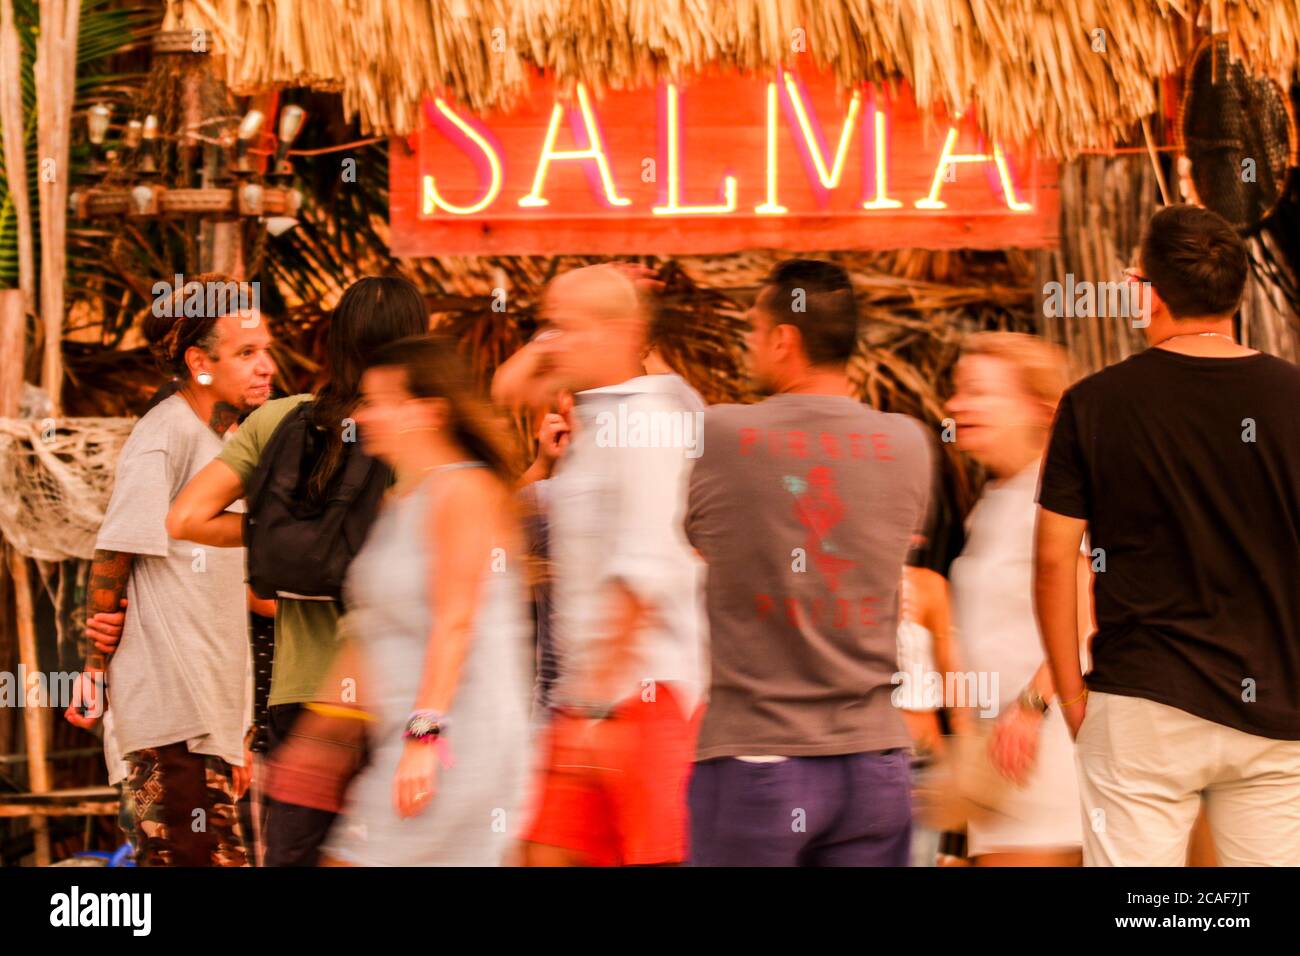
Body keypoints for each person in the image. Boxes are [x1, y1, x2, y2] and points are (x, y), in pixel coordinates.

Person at [1035, 204, 1300, 866]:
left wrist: (1071, 694)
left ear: (1142, 291)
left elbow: (1051, 561)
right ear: (1236, 291)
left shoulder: (1094, 404)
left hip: (1142, 704)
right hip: (1279, 706)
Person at [167, 276, 429, 865]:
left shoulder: (279, 420)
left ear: (335, 340)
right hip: (400, 698)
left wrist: (290, 534)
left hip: (301, 700)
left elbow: (185, 518)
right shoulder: (420, 434)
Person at [685, 259, 932, 866]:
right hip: (875, 761)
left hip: (760, 757)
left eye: (751, 331)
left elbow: (701, 539)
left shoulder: (723, 434)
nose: (748, 346)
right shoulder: (907, 441)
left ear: (783, 338)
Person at [65, 272, 275, 866]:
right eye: (246, 353)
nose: (266, 367)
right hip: (169, 706)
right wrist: (92, 667)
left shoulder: (228, 445)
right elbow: (112, 553)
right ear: (199, 362)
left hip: (210, 714)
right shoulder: (166, 434)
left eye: (266, 351)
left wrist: (238, 732)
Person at [313, 335, 533, 865]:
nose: (364, 415)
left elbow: (454, 623)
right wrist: (320, 736)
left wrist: (423, 739)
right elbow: (373, 630)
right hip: (408, 741)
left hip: (458, 741)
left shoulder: (464, 492)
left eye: (380, 402)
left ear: (428, 412)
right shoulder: (402, 499)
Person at [521, 264, 707, 867]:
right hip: (590, 700)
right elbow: (505, 389)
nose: (552, 342)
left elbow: (646, 566)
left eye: (566, 328)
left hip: (643, 701)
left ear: (622, 333)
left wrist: (599, 710)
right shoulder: (595, 422)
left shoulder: (650, 419)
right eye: (547, 326)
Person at [945, 331, 1089, 866]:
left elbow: (1089, 611)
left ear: (1040, 410)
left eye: (979, 391)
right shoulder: (994, 501)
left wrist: (1031, 708)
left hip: (1047, 743)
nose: (956, 405)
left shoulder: (1059, 495)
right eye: (958, 390)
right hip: (1004, 751)